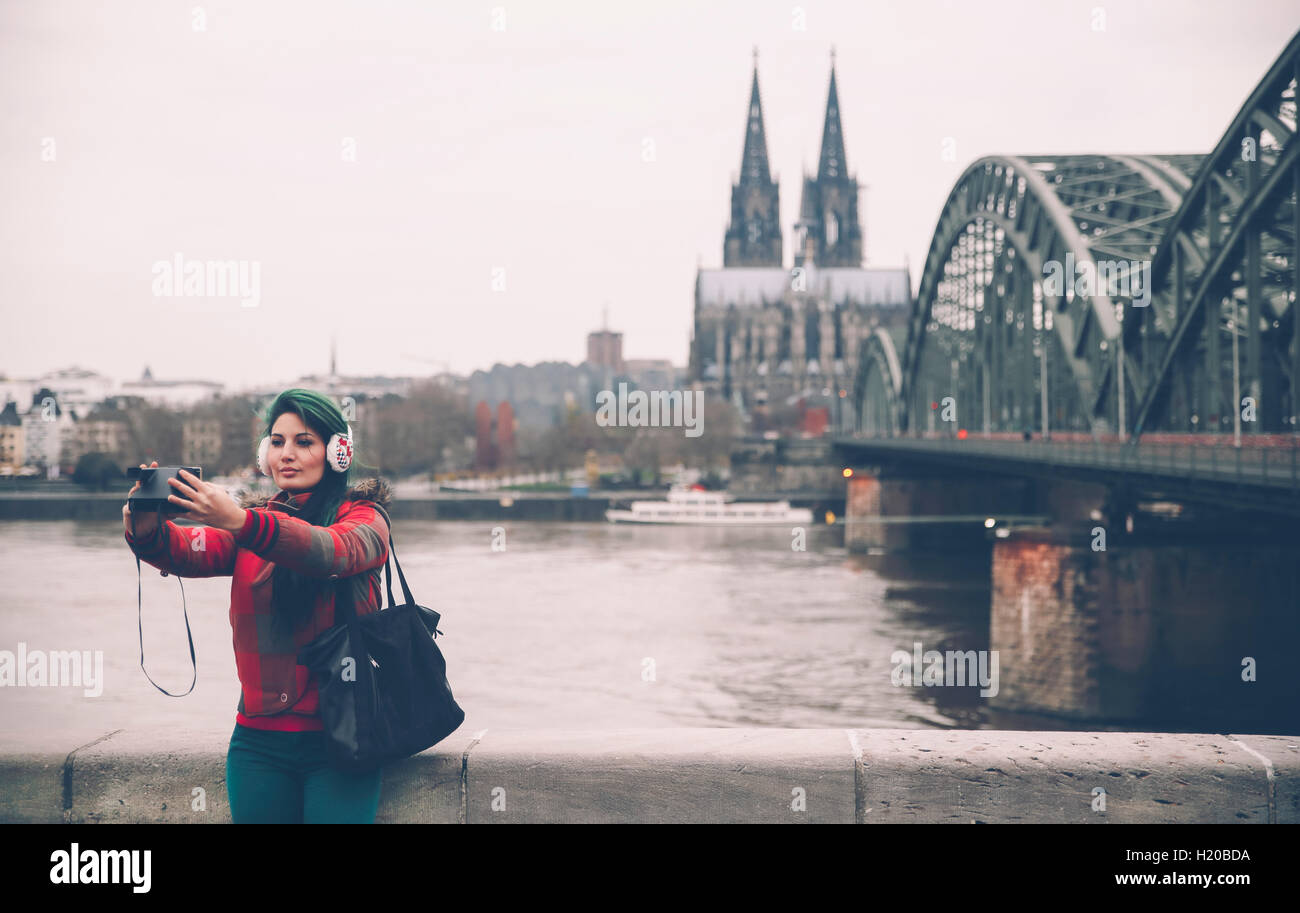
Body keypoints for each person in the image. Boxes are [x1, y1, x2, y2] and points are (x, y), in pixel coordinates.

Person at [123, 389, 392, 823]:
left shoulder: (365, 518)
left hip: (343, 740)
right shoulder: (254, 524)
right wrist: (147, 527)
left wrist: (240, 520)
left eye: (304, 442)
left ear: (338, 452)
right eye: (278, 441)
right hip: (257, 745)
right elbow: (189, 549)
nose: (287, 453)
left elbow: (330, 552)